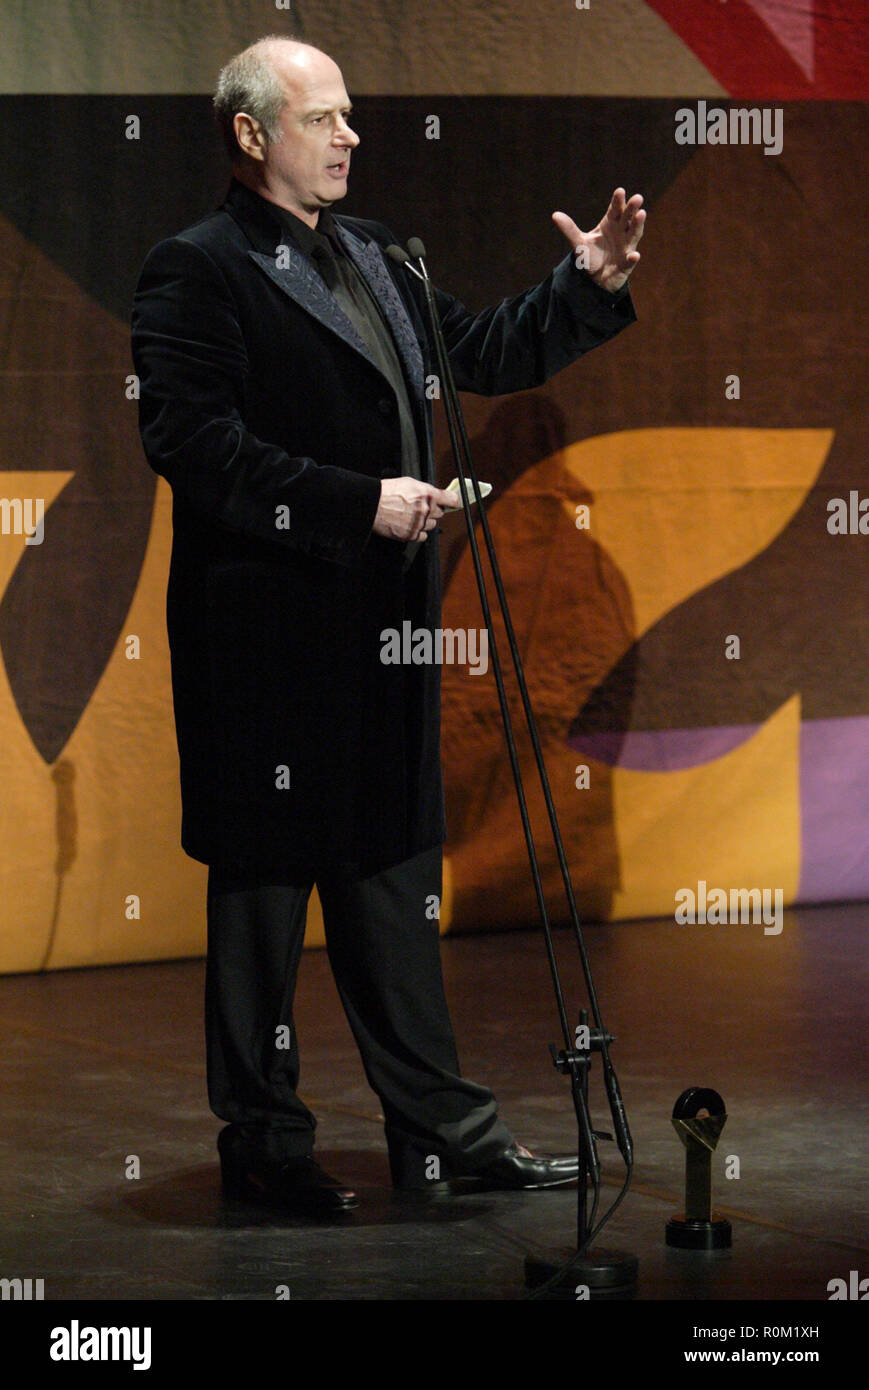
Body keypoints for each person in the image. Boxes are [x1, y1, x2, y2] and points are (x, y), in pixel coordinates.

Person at [131, 35, 644, 1216]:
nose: (350, 135)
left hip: (382, 641)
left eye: (351, 115)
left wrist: (588, 287)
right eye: (322, 119)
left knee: (393, 891)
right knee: (264, 906)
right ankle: (262, 1144)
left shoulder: (376, 253)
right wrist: (361, 503)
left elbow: (481, 351)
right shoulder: (194, 270)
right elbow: (192, 447)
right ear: (253, 136)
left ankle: (444, 1131)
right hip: (263, 647)